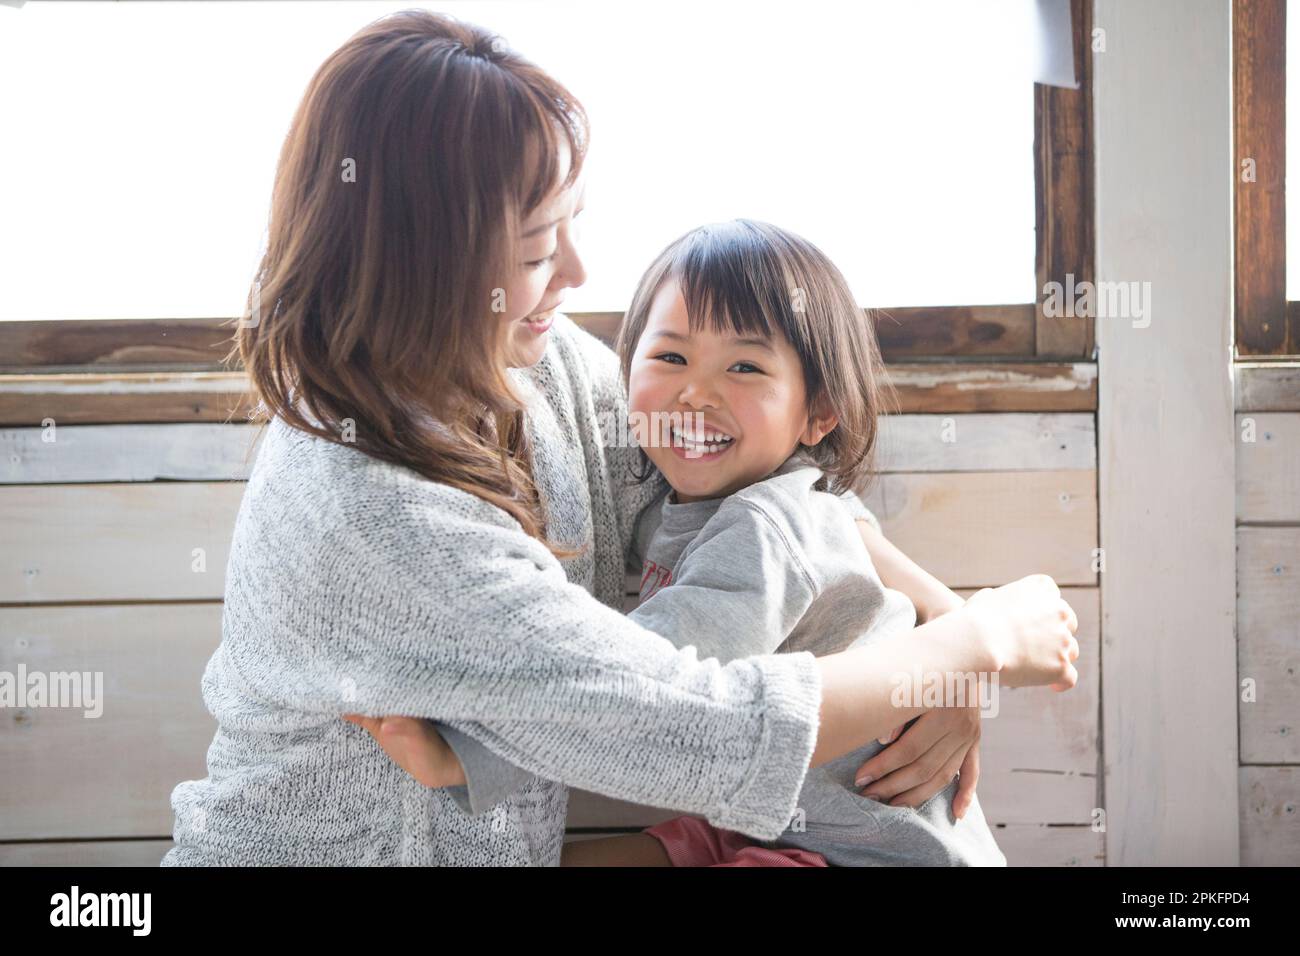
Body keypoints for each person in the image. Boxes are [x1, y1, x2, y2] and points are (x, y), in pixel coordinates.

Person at [163, 10, 1079, 866]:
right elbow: (686, 728)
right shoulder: (372, 510)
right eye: (533, 251)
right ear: (426, 263)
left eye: (571, 226)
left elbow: (766, 492)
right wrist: (972, 648)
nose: (576, 271)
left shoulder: (529, 357)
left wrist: (948, 634)